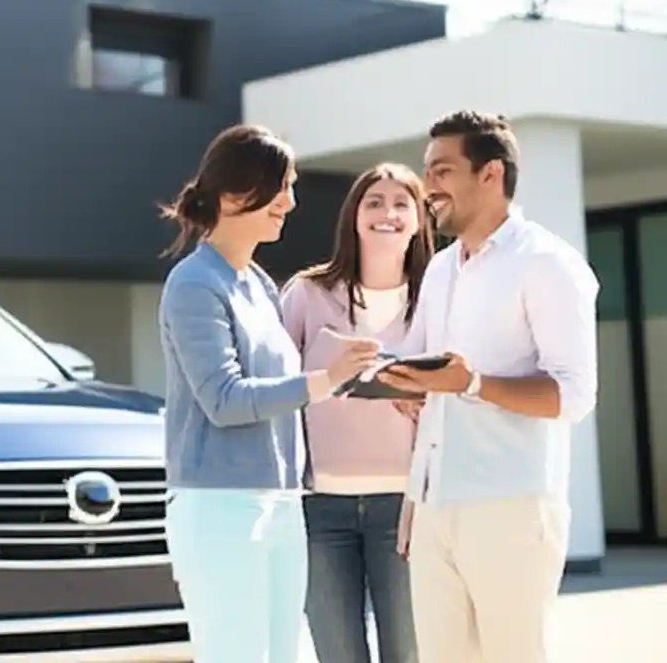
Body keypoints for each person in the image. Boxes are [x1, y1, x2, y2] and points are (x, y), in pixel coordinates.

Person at [377, 110, 599, 663]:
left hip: (512, 505)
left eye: (443, 171)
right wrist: (400, 383)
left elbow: (573, 394)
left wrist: (471, 383)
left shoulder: (549, 263)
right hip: (434, 508)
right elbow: (431, 373)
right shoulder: (441, 270)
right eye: (428, 171)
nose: (429, 186)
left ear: (491, 174)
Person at [157, 123, 381, 663]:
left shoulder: (257, 282)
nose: (291, 201)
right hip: (220, 509)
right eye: (281, 187)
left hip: (282, 504)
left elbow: (281, 389)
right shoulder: (193, 284)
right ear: (235, 194)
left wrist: (344, 372)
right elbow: (225, 399)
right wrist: (322, 380)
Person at [280, 162, 434, 663]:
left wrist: (430, 400)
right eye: (373, 202)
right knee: (337, 654)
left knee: (408, 654)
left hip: (406, 508)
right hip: (320, 509)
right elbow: (276, 389)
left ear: (418, 220)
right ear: (353, 216)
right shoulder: (307, 293)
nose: (386, 213)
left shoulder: (437, 299)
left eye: (400, 204)